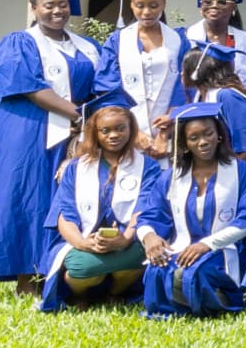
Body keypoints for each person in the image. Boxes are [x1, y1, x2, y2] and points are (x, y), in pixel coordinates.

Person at [0, 0, 103, 291]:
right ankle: (26, 277)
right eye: (49, 5)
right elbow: (31, 88)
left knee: (65, 195)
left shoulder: (88, 46)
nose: (57, 11)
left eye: (63, 4)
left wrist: (89, 120)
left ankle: (58, 272)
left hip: (75, 129)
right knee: (26, 193)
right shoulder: (19, 43)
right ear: (34, 8)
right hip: (27, 129)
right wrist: (79, 115)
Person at [38, 91, 170, 311]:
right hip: (84, 241)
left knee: (142, 254)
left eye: (121, 128)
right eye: (105, 131)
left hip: (129, 241)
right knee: (81, 267)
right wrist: (83, 243)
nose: (113, 135)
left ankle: (115, 293)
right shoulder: (76, 167)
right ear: (94, 132)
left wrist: (125, 240)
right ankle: (81, 295)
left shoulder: (147, 167)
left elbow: (145, 208)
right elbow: (64, 215)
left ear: (131, 129)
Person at [140, 102, 246, 319]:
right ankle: (196, 299)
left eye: (208, 134)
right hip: (182, 247)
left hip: (224, 250)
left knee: (195, 274)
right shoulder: (171, 177)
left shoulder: (242, 171)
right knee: (158, 269)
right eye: (194, 138)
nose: (203, 142)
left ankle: (217, 297)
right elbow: (152, 214)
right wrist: (149, 237)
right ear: (185, 144)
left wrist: (207, 244)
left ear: (219, 135)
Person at [96, 0, 184, 158]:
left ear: (164, 4)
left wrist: (166, 130)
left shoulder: (178, 40)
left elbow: (184, 85)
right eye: (140, 5)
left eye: (154, 5)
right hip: (124, 130)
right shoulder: (118, 40)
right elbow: (107, 86)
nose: (146, 12)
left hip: (169, 128)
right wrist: (133, 132)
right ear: (131, 4)